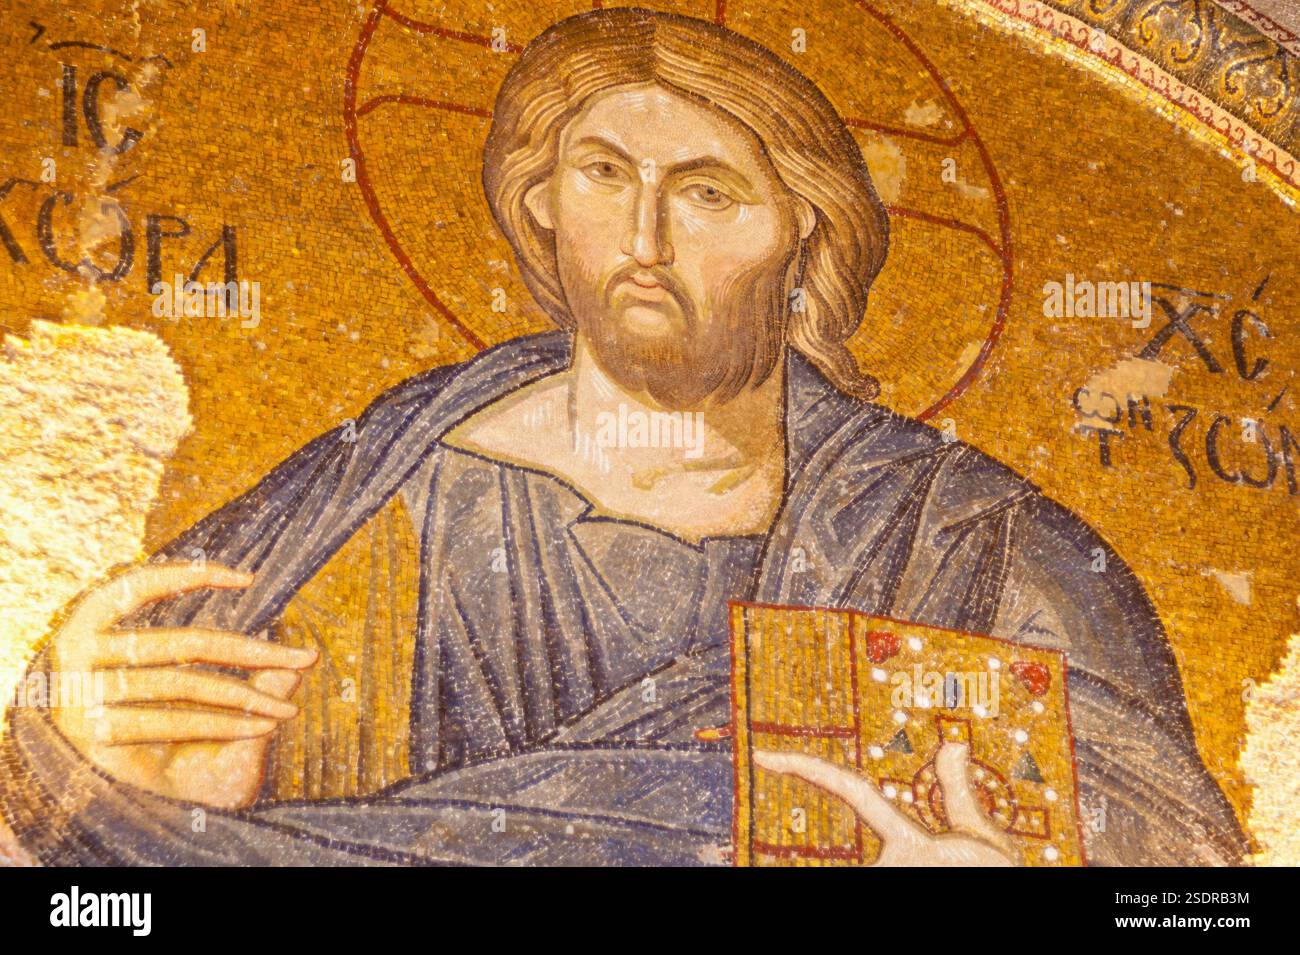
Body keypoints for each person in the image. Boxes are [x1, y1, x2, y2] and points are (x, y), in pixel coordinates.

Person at [0, 8, 1247, 866]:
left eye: (706, 190)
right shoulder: (365, 494)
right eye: (602, 175)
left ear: (804, 239)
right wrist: (75, 767)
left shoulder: (978, 547)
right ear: (539, 205)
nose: (643, 233)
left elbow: (1186, 891)